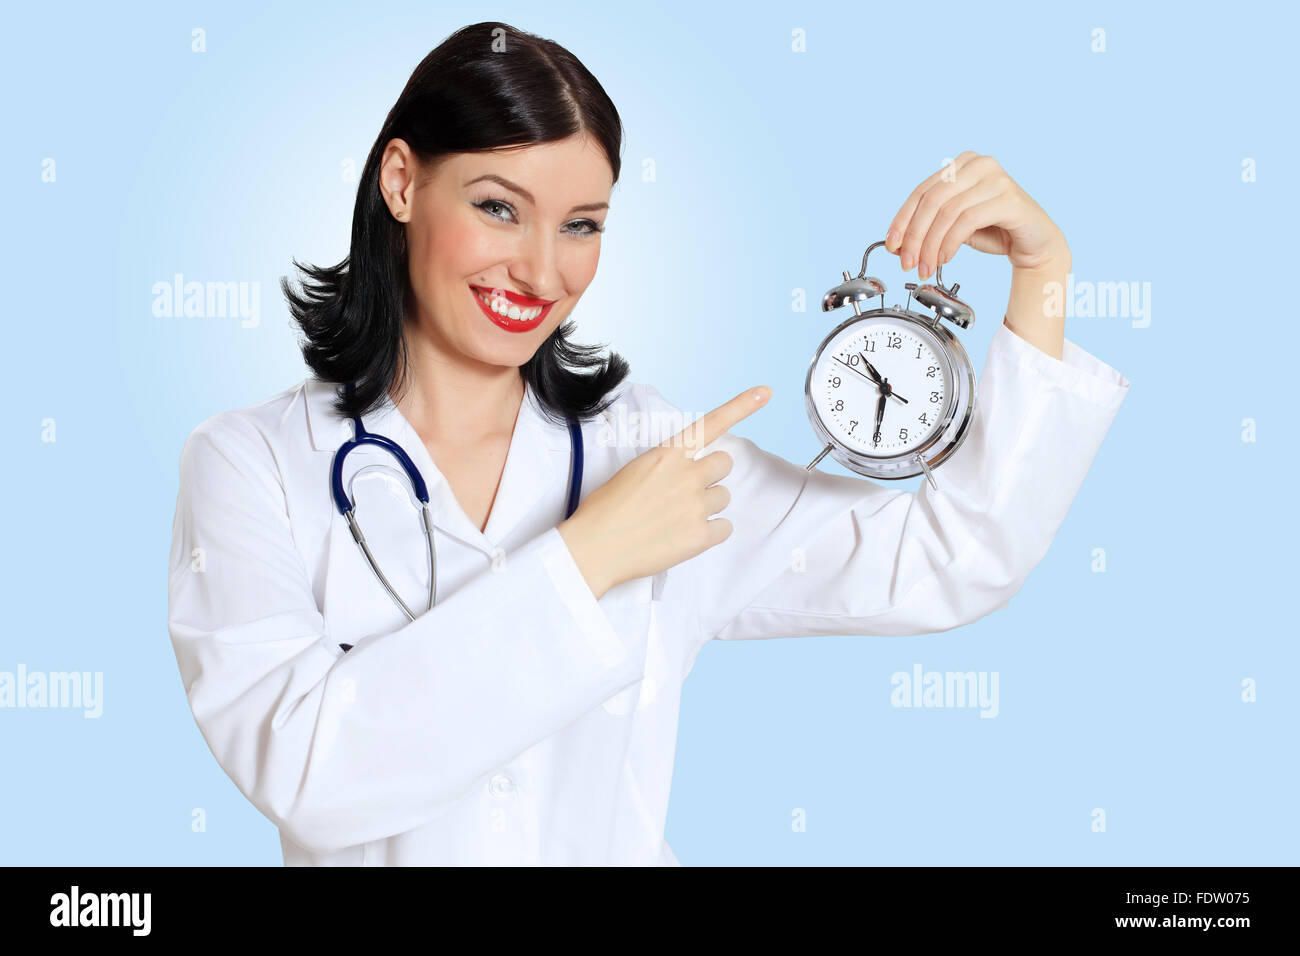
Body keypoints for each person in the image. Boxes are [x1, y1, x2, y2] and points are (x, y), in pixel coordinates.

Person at [166, 21, 1130, 866]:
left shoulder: (647, 446)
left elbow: (951, 559)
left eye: (581, 225)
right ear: (403, 181)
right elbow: (305, 775)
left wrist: (1044, 275)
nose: (542, 269)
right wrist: (587, 559)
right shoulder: (250, 463)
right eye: (498, 206)